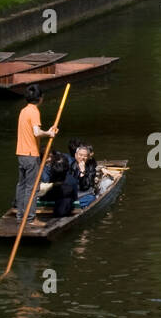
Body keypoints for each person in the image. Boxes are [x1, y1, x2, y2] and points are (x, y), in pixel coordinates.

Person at [15, 84, 58, 222]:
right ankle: (29, 218)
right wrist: (49, 133)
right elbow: (36, 132)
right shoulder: (34, 111)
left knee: (21, 185)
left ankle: (20, 215)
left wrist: (48, 131)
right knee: (32, 188)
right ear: (40, 98)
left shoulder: (23, 111)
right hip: (31, 154)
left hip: (21, 153)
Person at [68, 139, 98, 209]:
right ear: (75, 155)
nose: (82, 158)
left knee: (91, 198)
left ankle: (72, 205)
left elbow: (85, 187)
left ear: (88, 157)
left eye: (85, 156)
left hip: (84, 194)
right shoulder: (72, 165)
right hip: (73, 194)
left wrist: (82, 172)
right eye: (80, 155)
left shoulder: (90, 167)